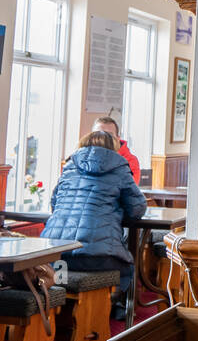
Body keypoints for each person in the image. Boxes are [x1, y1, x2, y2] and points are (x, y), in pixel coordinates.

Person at [42, 130, 146, 321]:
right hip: (97, 257)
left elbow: (55, 202)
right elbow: (138, 208)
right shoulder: (120, 167)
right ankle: (109, 313)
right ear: (112, 148)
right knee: (128, 266)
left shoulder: (69, 166)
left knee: (61, 269)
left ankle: (69, 318)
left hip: (55, 254)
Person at [92, 116, 141, 184]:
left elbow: (129, 188)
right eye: (98, 134)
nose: (104, 138)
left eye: (109, 135)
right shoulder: (80, 157)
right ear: (91, 137)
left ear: (118, 138)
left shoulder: (130, 160)